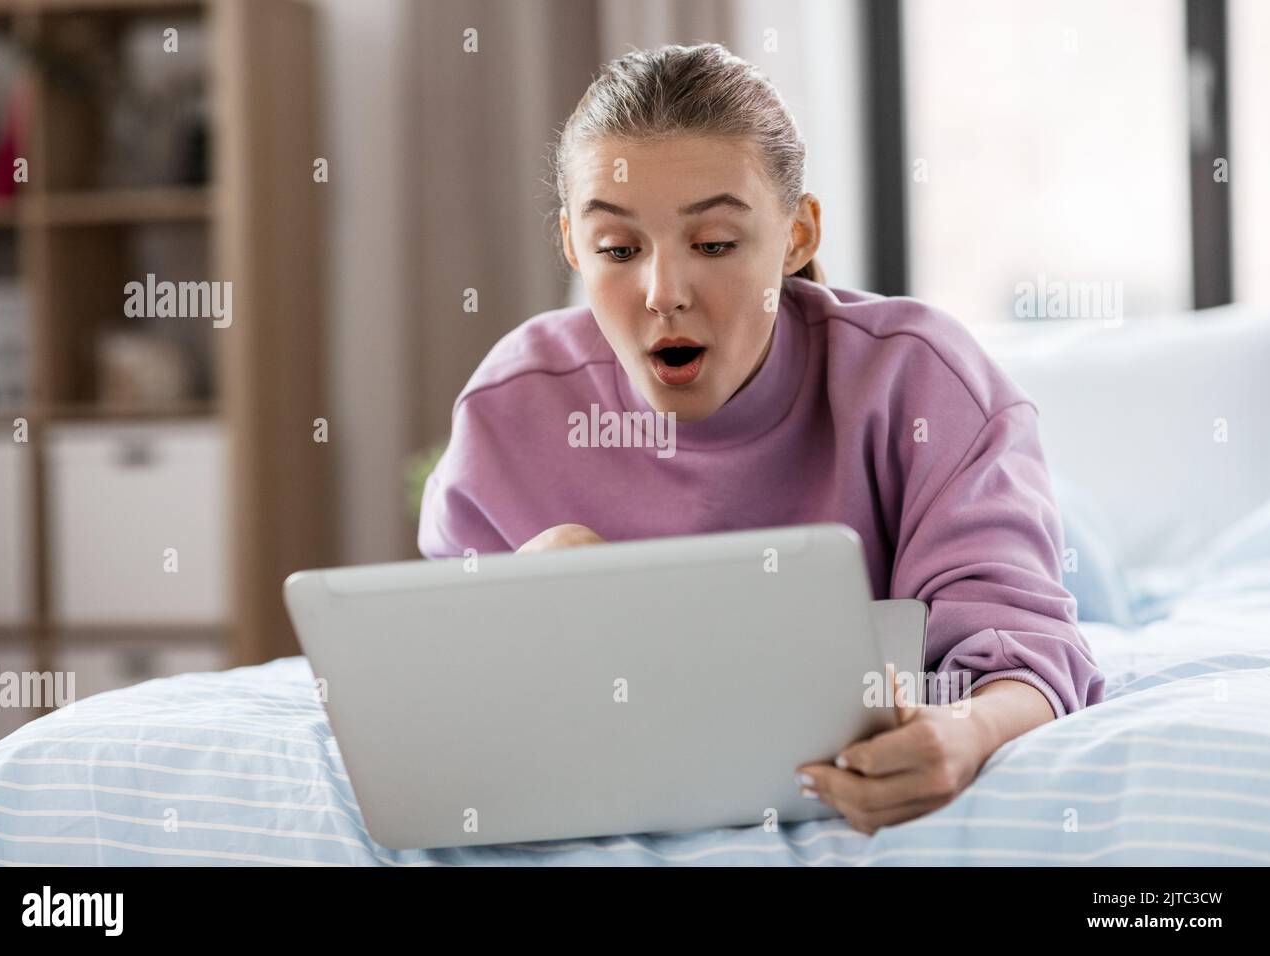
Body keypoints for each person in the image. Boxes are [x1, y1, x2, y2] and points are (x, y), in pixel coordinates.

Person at [418, 42, 1104, 835]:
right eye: (617, 249)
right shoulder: (510, 412)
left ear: (797, 236)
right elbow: (446, 676)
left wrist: (966, 733)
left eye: (714, 245)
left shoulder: (922, 381)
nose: (664, 295)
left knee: (1094, 561)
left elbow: (1031, 650)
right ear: (573, 244)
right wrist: (508, 607)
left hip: (1024, 528)